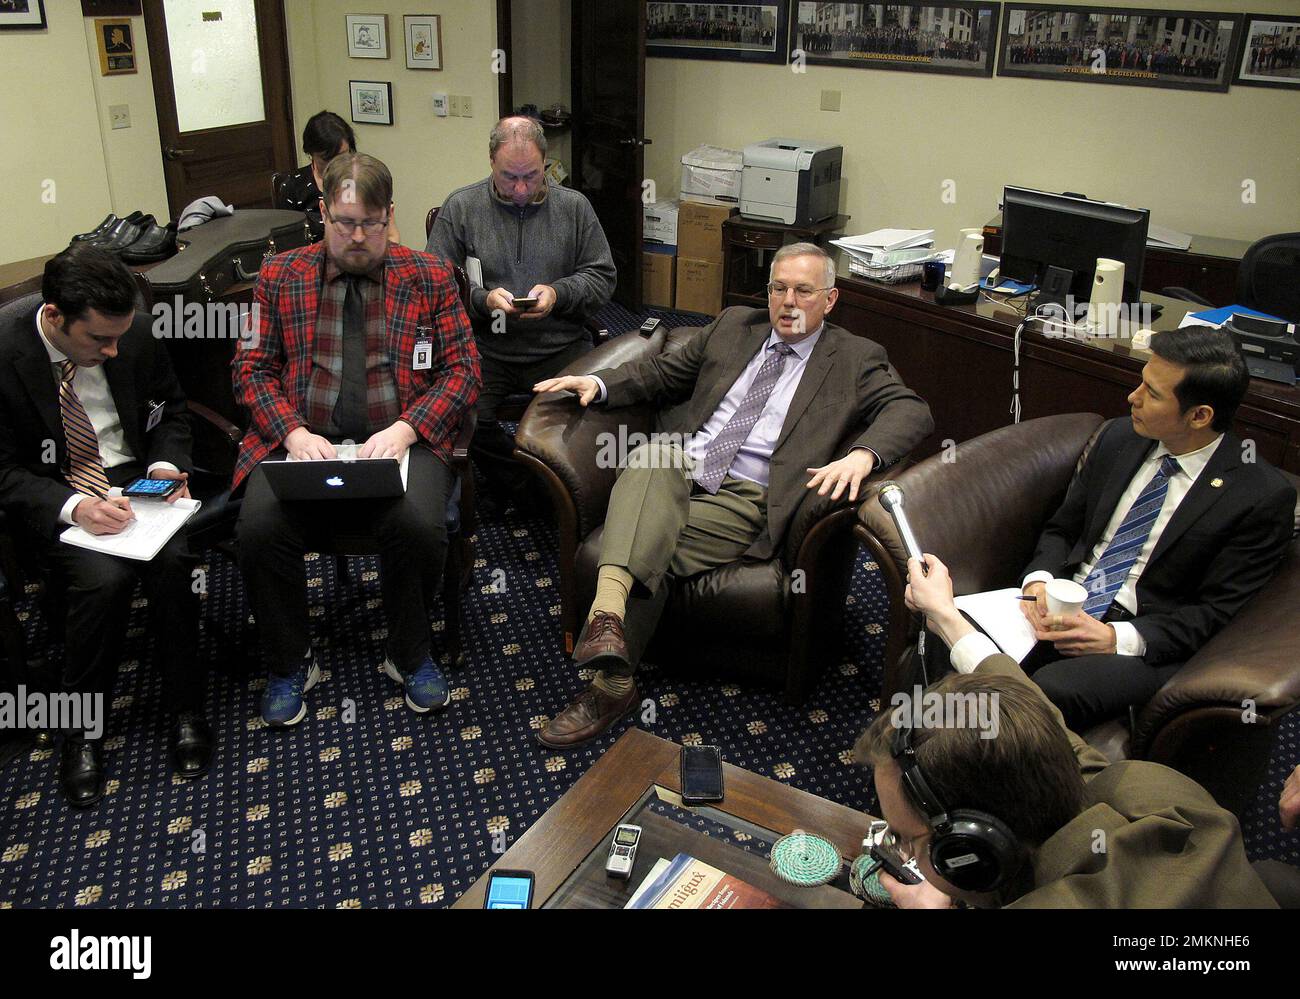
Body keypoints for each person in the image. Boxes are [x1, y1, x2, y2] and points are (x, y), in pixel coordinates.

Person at [531, 243, 933, 748]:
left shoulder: (855, 357)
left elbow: (912, 410)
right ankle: (609, 618)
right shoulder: (733, 327)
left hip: (748, 498)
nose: (788, 301)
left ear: (829, 300)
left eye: (803, 291)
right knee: (656, 456)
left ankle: (612, 680)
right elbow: (662, 373)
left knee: (646, 538)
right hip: (684, 463)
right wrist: (595, 380)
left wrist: (862, 455)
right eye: (778, 288)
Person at [857, 553, 1277, 908]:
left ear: (971, 848)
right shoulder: (1152, 789)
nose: (903, 850)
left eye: (907, 840)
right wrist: (949, 619)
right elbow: (1047, 726)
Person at [232, 153, 479, 726]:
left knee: (416, 525)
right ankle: (291, 662)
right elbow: (249, 369)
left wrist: (408, 427)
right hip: (304, 442)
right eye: (345, 223)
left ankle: (408, 653)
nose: (359, 236)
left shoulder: (430, 275)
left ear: (390, 215)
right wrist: (291, 432)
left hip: (402, 440)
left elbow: (464, 371)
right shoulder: (278, 276)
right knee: (259, 529)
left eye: (371, 222)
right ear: (322, 213)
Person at [0, 245, 210, 807]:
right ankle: (81, 729)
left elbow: (172, 410)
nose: (114, 350)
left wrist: (166, 469)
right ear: (53, 317)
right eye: (97, 341)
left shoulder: (133, 332)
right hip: (59, 491)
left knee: (175, 565)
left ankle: (186, 706)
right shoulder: (5, 352)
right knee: (103, 581)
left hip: (136, 479)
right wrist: (72, 506)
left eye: (119, 338)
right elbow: (3, 471)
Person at [1008, 327, 1295, 731]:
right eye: (1141, 381)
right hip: (1064, 600)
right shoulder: (1119, 437)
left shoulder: (1259, 496)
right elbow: (1064, 528)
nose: (1133, 397)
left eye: (1152, 393)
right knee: (949, 633)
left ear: (1199, 416)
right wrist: (1038, 583)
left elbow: (1214, 612)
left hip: (1140, 637)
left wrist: (1114, 638)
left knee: (1049, 689)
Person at [426, 115, 616, 509]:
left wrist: (558, 294)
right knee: (460, 416)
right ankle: (531, 491)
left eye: (531, 176)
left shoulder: (574, 208)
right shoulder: (461, 206)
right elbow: (433, 287)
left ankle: (537, 490)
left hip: (559, 345)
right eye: (508, 177)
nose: (520, 189)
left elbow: (603, 279)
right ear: (490, 163)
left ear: (545, 164)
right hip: (486, 348)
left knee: (594, 415)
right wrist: (482, 299)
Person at [278, 111, 399, 244]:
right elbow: (286, 243)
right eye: (326, 159)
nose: (336, 165)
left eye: (342, 156)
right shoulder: (293, 186)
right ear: (311, 153)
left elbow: (392, 237)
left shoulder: (363, 179)